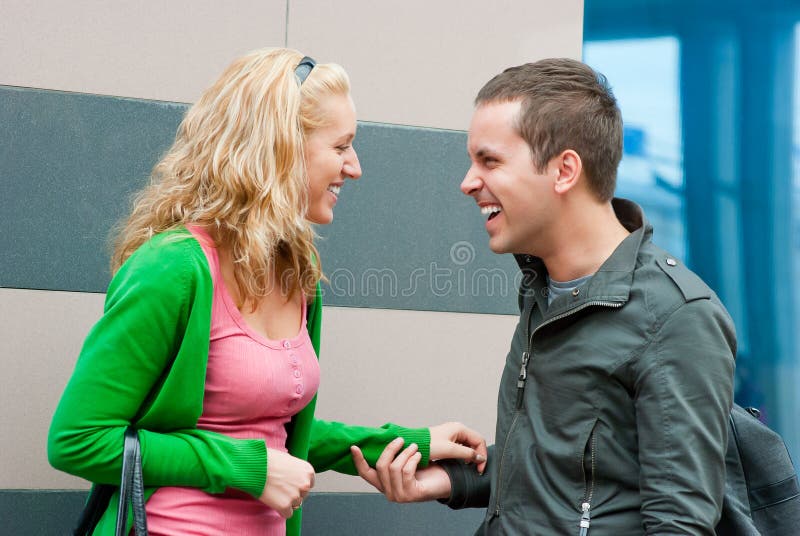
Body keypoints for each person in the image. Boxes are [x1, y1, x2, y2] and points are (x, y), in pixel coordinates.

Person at [48, 47, 486, 536]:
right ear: (280, 147)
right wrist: (249, 468)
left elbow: (277, 437)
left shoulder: (297, 273)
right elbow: (77, 439)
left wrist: (407, 443)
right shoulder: (174, 267)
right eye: (341, 147)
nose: (355, 167)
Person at [352, 58, 737, 534]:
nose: (467, 182)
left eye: (490, 161)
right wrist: (452, 480)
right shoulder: (542, 286)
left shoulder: (676, 317)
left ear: (564, 170)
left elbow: (679, 525)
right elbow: (564, 468)